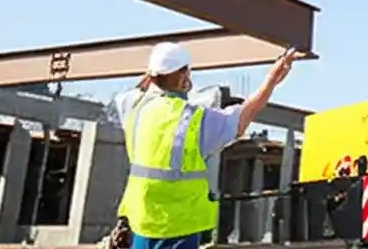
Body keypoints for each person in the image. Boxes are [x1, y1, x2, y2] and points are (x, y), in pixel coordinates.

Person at [110, 41, 303, 248]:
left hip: (140, 222)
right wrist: (272, 79)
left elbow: (141, 88)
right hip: (179, 227)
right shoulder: (192, 119)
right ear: (183, 75)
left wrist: (157, 70)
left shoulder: (134, 107)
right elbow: (243, 116)